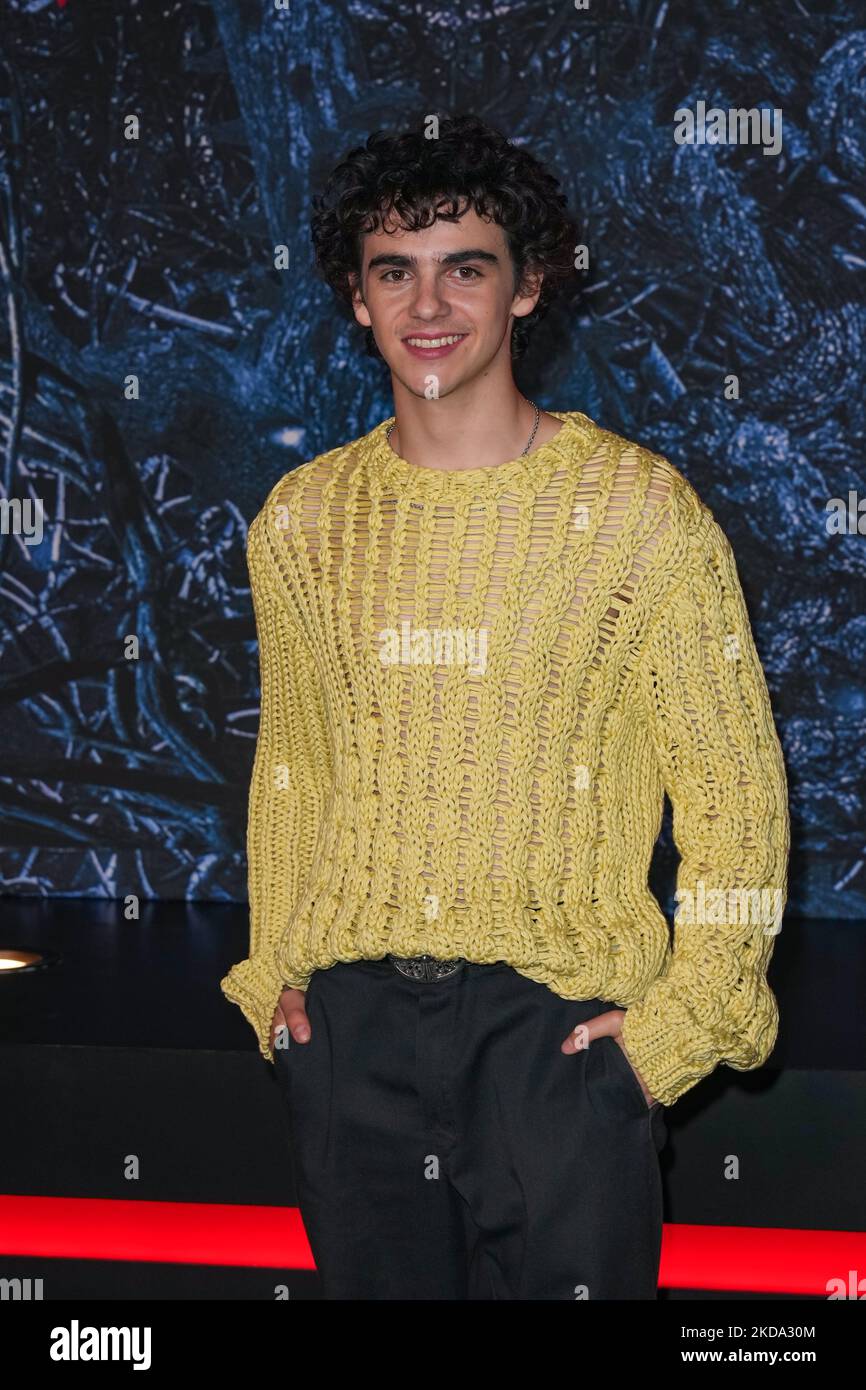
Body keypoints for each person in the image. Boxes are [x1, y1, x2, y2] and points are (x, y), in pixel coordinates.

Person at [220, 113, 790, 1300]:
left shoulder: (640, 516)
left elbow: (736, 799)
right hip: (350, 1036)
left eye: (464, 266)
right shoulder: (300, 522)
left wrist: (682, 1030)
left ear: (525, 288)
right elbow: (294, 772)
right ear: (356, 297)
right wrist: (275, 975)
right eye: (395, 271)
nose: (429, 303)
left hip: (559, 1043)